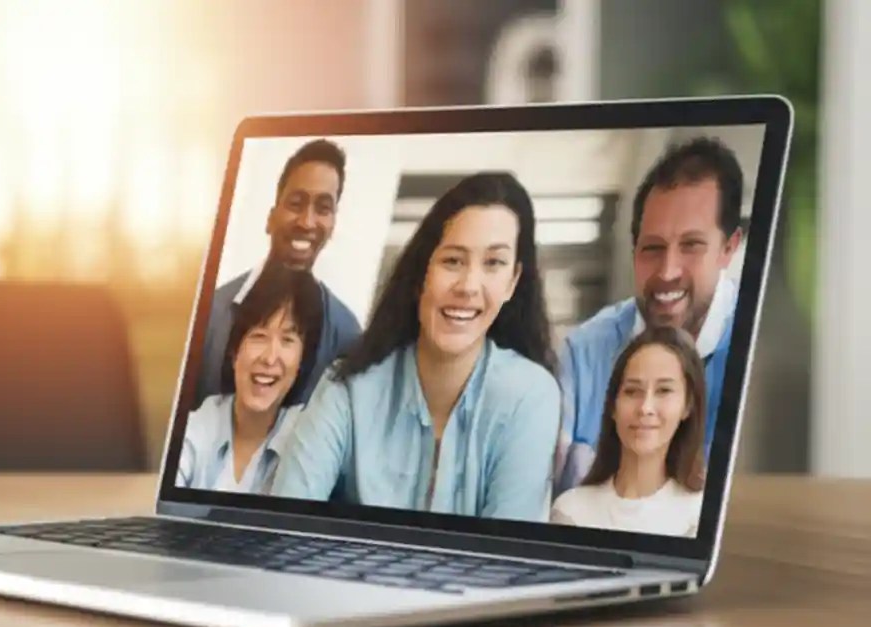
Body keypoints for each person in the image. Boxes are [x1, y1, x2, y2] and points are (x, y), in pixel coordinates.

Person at [271, 172, 559, 521]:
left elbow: (507, 548)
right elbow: (283, 524)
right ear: (421, 273)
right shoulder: (347, 388)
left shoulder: (531, 396)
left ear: (513, 282)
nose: (469, 286)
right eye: (453, 260)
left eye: (494, 263)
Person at [556, 137, 744, 496]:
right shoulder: (583, 354)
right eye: (652, 248)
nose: (668, 271)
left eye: (691, 245)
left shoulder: (752, 347)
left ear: (728, 248)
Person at [195, 139, 362, 407]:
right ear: (271, 218)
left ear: (332, 225)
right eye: (296, 203)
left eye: (323, 208)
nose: (307, 222)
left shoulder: (345, 334)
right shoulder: (209, 314)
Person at [177, 263, 324, 493]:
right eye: (259, 336)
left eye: (287, 340)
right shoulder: (198, 427)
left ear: (302, 362)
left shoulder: (307, 438)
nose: (270, 358)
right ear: (234, 351)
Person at [551, 326, 706, 536]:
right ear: (613, 406)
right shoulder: (571, 511)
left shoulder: (699, 516)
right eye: (632, 391)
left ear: (687, 406)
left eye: (664, 390)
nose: (645, 408)